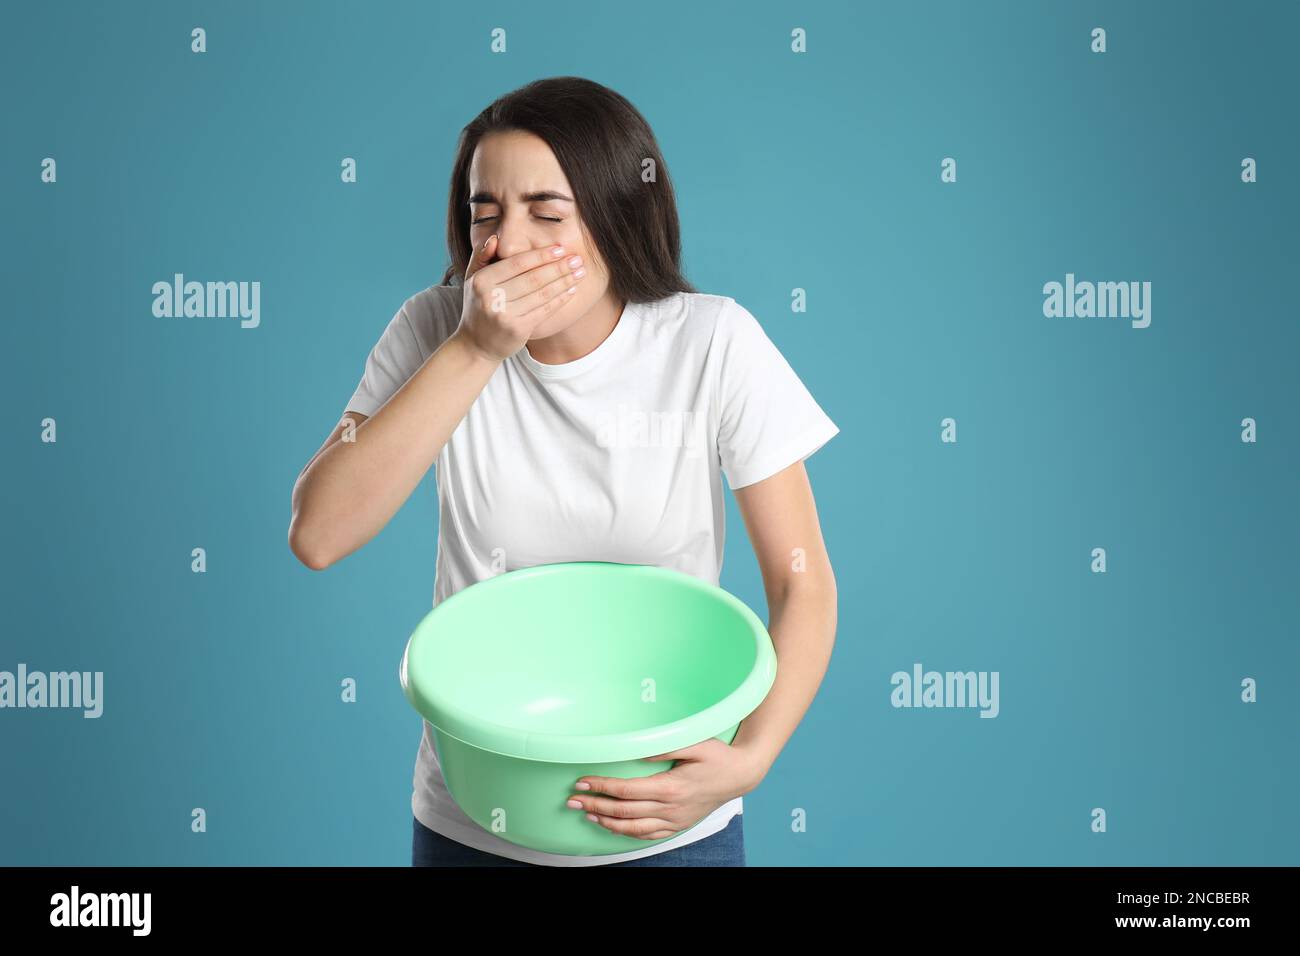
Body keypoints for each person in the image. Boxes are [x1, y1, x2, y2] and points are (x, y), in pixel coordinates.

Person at [288, 76, 839, 867]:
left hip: (668, 824)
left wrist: (748, 761)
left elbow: (802, 583)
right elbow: (320, 533)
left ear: (618, 218)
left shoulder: (714, 343)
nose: (507, 245)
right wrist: (474, 350)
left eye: (547, 215)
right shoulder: (433, 329)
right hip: (474, 820)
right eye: (486, 215)